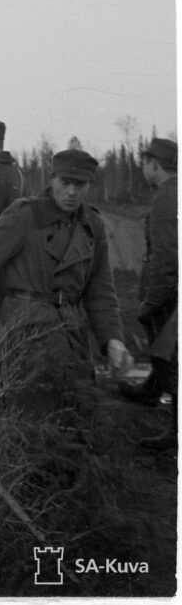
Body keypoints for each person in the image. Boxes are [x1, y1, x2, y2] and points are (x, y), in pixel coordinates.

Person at [0, 149, 132, 418]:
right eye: (64, 182)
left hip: (72, 333)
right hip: (26, 333)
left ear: (89, 185)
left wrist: (113, 340)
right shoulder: (26, 215)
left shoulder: (93, 224)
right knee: (29, 415)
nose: (71, 192)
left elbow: (101, 289)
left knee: (73, 412)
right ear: (52, 178)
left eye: (79, 185)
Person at [131, 138, 178, 448]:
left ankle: (175, 435)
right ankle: (151, 391)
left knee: (167, 359)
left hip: (169, 295)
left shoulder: (165, 198)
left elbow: (166, 257)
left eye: (145, 163)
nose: (143, 169)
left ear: (153, 164)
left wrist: (151, 302)